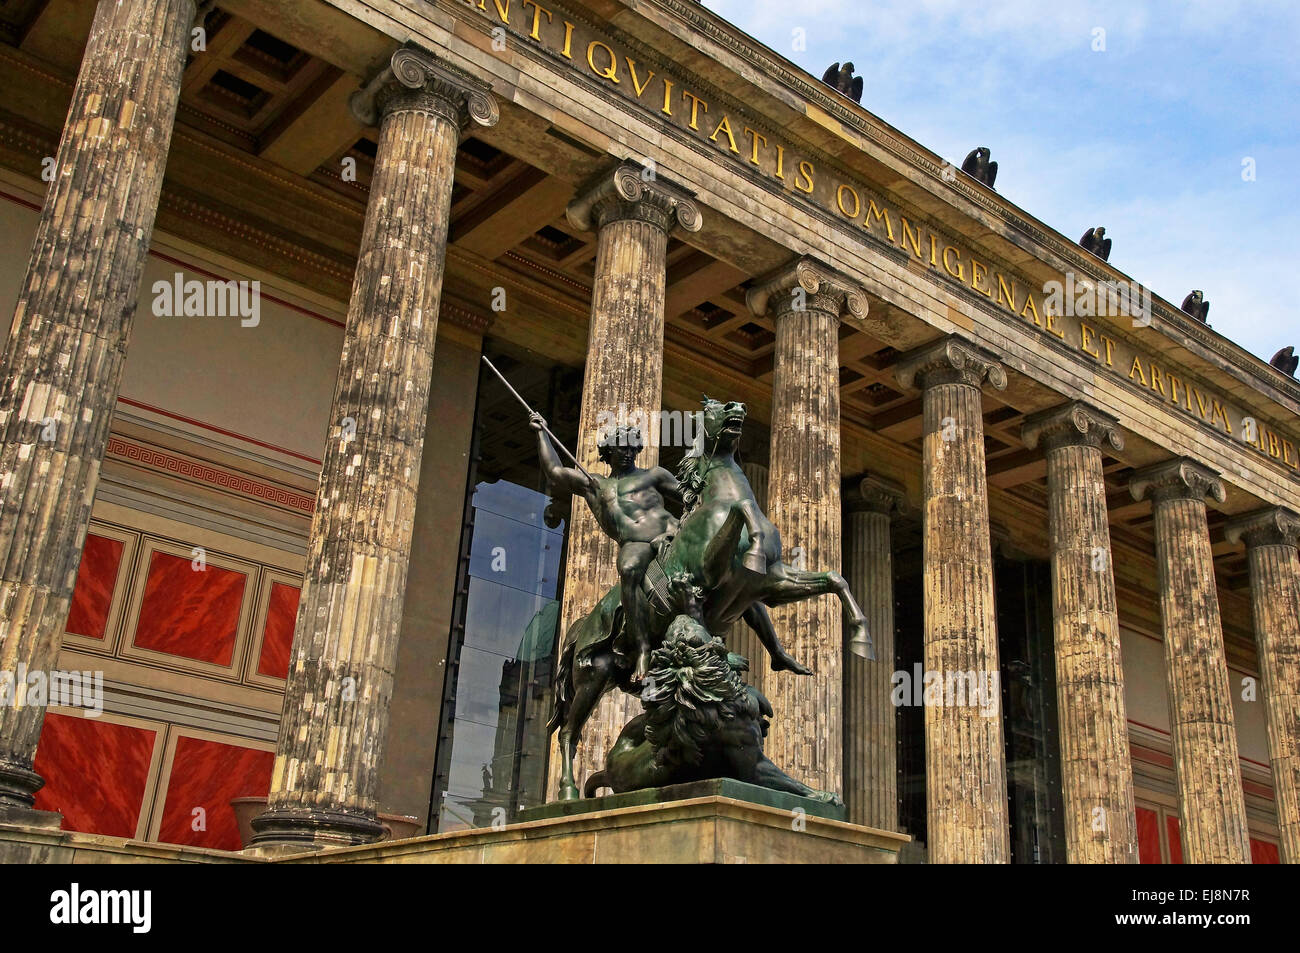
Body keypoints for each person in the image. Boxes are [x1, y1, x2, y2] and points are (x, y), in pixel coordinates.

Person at [529, 413, 679, 682]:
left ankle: (772, 643)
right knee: (630, 567)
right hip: (637, 544)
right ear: (608, 450)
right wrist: (542, 432)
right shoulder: (595, 485)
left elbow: (691, 497)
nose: (628, 452)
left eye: (633, 446)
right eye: (622, 447)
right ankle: (643, 648)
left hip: (671, 534)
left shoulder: (654, 475)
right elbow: (554, 471)